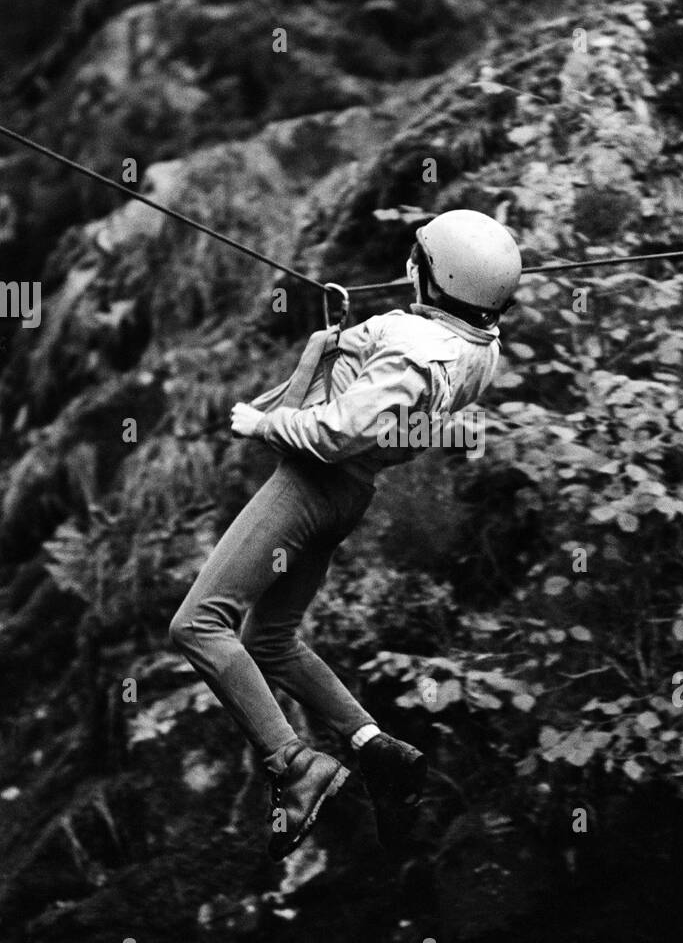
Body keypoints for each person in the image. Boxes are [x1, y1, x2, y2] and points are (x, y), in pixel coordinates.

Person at [169, 209, 521, 858]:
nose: (407, 264)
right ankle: (374, 747)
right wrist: (349, 337)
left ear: (434, 276)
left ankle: (293, 765)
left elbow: (334, 433)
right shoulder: (478, 349)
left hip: (307, 489)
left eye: (416, 258)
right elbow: (398, 374)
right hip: (351, 496)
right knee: (269, 641)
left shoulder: (409, 352)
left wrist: (261, 425)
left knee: (198, 627)